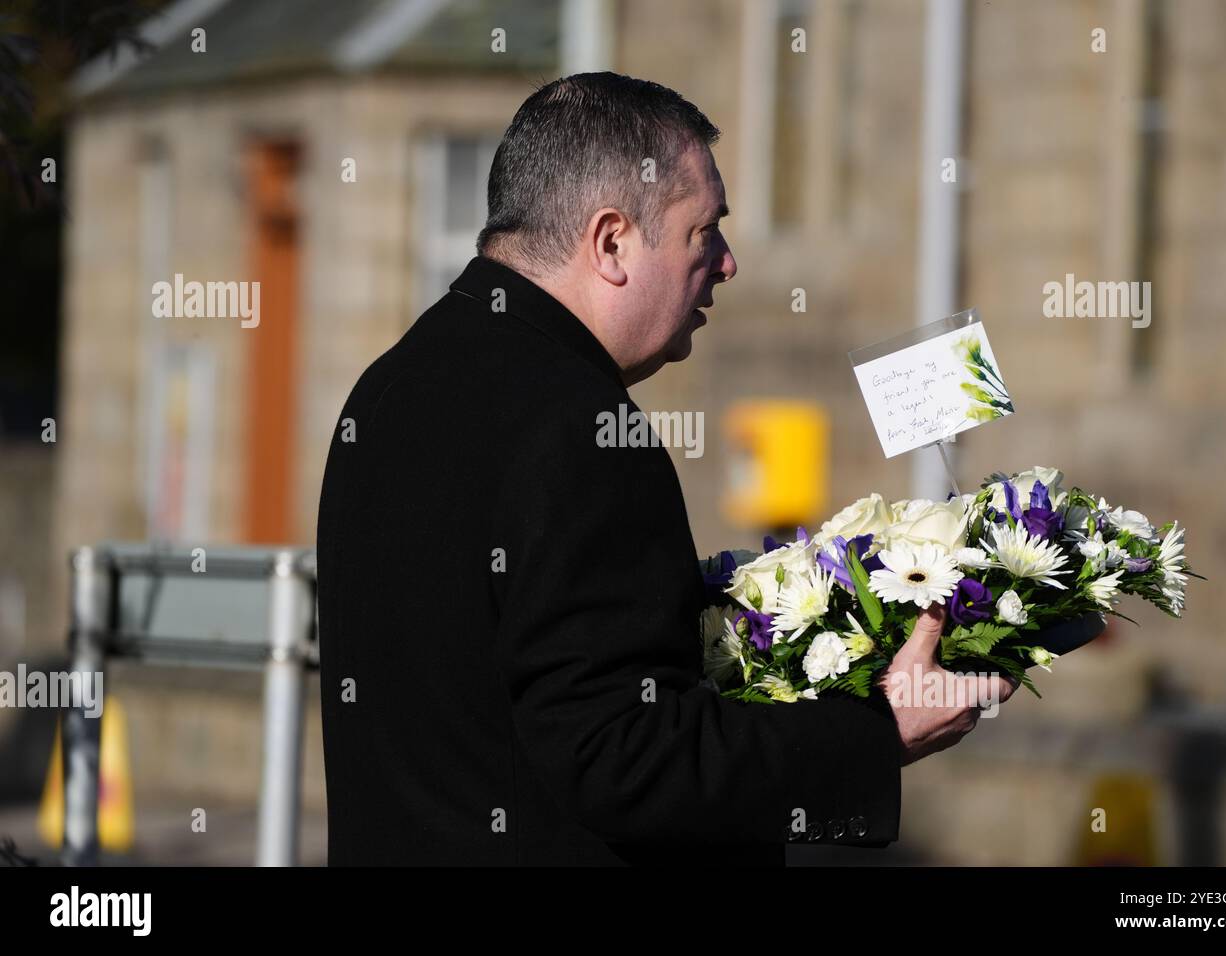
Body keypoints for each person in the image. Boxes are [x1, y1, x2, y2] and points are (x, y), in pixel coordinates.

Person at [316, 72, 1014, 866]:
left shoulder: (391, 383)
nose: (727, 263)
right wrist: (879, 728)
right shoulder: (578, 422)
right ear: (612, 241)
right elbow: (624, 757)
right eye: (704, 231)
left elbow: (505, 688)